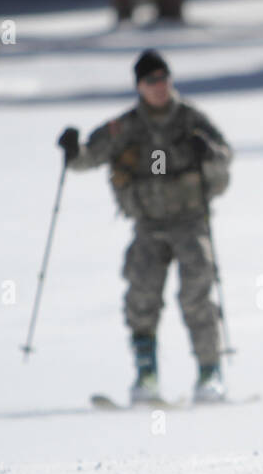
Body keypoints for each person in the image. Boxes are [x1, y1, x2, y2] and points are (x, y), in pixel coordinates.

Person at [58, 50, 233, 403]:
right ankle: (146, 376)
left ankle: (209, 374)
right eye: (151, 80)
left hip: (189, 221)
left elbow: (225, 154)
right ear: (139, 86)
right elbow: (88, 158)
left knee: (196, 294)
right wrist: (71, 150)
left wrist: (208, 150)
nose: (159, 86)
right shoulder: (125, 127)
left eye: (164, 78)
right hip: (148, 225)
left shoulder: (190, 119)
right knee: (142, 297)